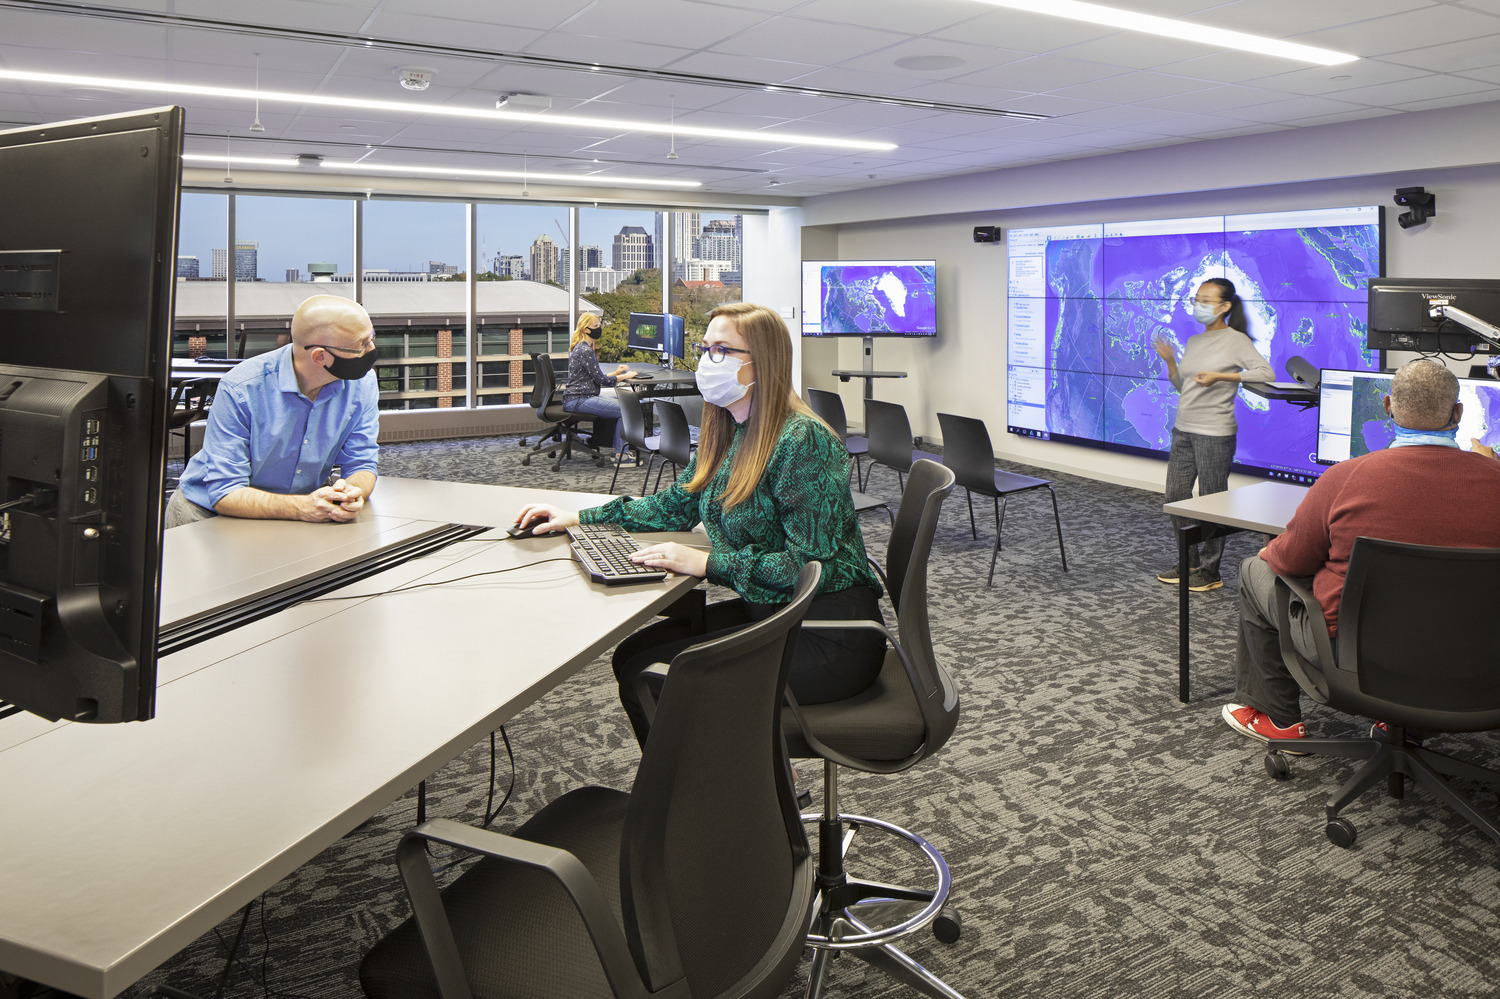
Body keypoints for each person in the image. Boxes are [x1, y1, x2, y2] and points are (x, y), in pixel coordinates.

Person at [516, 302, 887, 748]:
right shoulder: (729, 428)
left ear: (761, 363)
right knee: (633, 657)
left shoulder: (802, 439)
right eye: (704, 348)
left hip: (828, 633)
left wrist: (707, 564)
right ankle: (720, 779)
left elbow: (809, 567)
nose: (707, 361)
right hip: (772, 611)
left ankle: (722, 785)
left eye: (721, 350)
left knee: (652, 678)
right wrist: (580, 517)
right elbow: (675, 507)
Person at [1223, 358, 1500, 746]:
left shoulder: (1345, 477)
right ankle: (1408, 726)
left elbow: (1289, 561)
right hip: (1477, 658)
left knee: (1255, 567)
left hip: (1359, 657)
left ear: (1387, 407)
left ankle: (1278, 718)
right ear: (1457, 413)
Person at [165, 294, 380, 529]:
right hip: (207, 514)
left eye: (372, 338)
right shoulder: (241, 388)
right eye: (362, 344)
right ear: (320, 356)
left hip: (296, 511)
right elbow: (226, 492)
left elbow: (362, 463)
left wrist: (351, 492)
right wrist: (302, 507)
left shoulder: (363, 384)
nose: (372, 349)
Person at [1153, 277, 1273, 591]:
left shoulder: (1236, 340)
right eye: (1197, 299)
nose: (1199, 305)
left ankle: (1210, 570)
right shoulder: (1195, 341)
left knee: (1213, 501)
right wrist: (1170, 362)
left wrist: (1221, 376)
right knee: (1175, 496)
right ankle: (1189, 561)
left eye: (1206, 300)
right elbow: (1184, 387)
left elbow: (1266, 373)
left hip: (1214, 433)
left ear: (1224, 306)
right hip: (1183, 429)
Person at [561, 312, 637, 455]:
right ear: (586, 330)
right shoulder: (585, 350)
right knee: (625, 409)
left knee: (624, 402)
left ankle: (617, 448)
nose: (599, 328)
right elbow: (602, 381)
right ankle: (622, 455)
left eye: (599, 325)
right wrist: (625, 376)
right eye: (596, 326)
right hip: (579, 400)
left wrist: (616, 373)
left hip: (579, 397)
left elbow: (596, 377)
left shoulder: (583, 347)